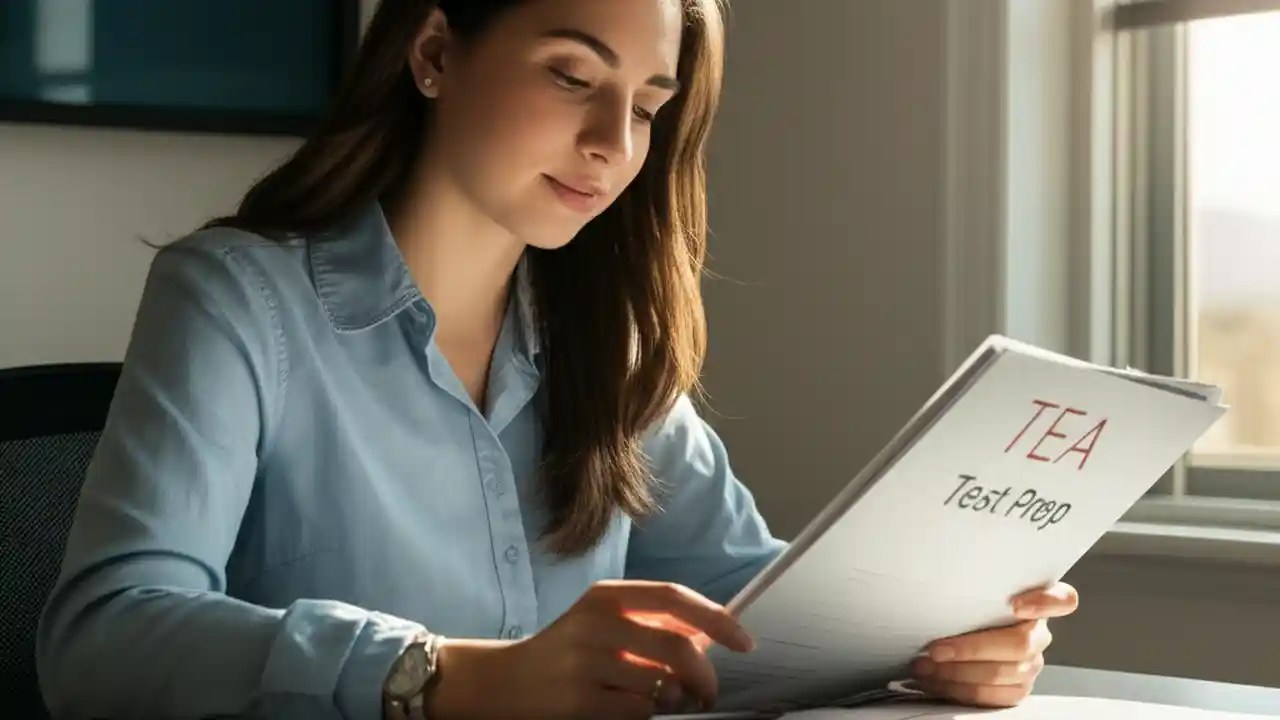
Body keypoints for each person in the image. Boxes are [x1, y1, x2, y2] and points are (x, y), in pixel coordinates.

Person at [35, 0, 1079, 718]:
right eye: (572, 76)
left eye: (646, 106)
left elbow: (747, 617)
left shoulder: (606, 344)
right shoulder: (235, 299)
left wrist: (933, 648)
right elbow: (103, 641)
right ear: (434, 53)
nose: (611, 143)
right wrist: (444, 678)